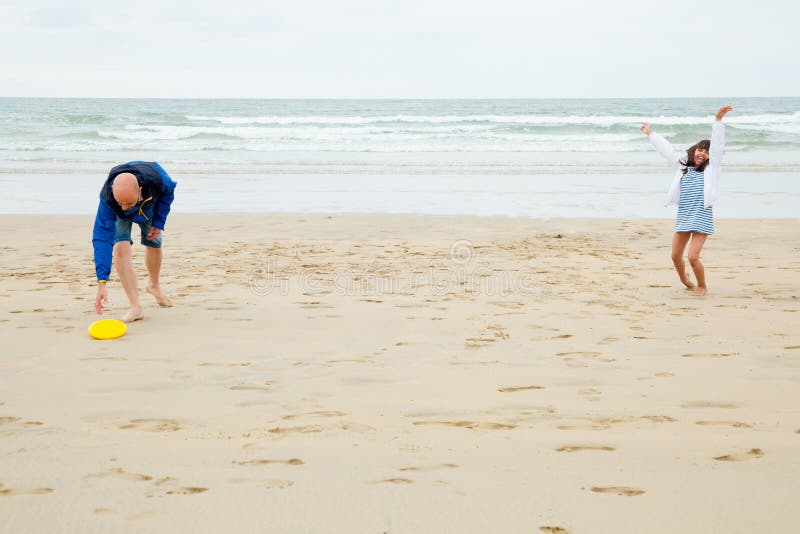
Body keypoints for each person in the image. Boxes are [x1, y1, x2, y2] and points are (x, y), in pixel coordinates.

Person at [640, 106, 733, 296]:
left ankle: (702, 285)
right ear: (694, 151)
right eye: (700, 150)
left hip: (702, 217)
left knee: (692, 257)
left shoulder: (712, 169)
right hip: (684, 216)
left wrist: (718, 121)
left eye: (706, 152)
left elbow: (718, 147)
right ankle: (685, 280)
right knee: (675, 256)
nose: (702, 154)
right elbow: (666, 150)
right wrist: (651, 134)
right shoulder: (681, 166)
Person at [92, 161, 177, 322]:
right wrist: (102, 281)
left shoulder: (158, 180)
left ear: (139, 190)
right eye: (120, 203)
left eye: (128, 203)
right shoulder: (108, 199)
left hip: (147, 207)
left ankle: (154, 285)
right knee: (120, 248)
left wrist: (159, 221)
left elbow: (169, 192)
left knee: (154, 241)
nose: (124, 207)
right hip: (119, 213)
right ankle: (135, 307)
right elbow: (102, 238)